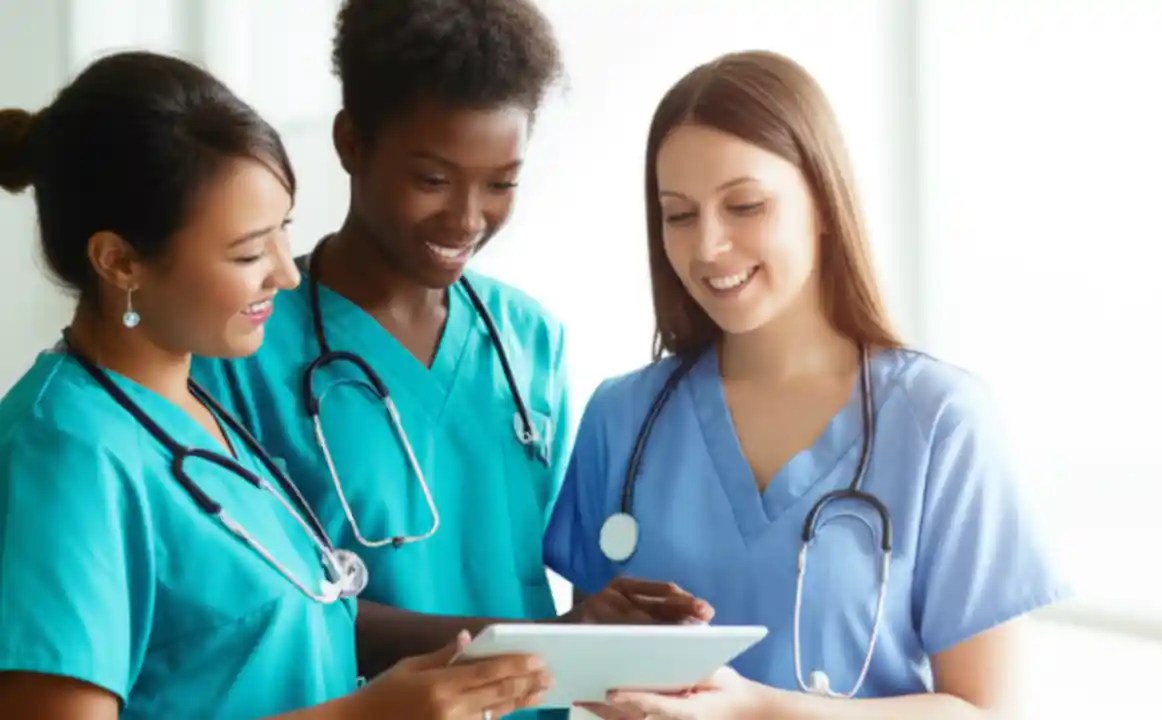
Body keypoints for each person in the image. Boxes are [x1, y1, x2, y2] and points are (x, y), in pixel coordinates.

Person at [189, 0, 712, 706]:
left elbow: (536, 580)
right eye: (432, 180)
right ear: (352, 143)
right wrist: (536, 636)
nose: (468, 219)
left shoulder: (530, 340)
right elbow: (270, 607)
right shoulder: (240, 349)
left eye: (501, 184)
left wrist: (594, 628)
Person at [0, 51, 551, 719]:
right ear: (119, 261)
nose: (287, 275)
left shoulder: (194, 416)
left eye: (283, 232)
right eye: (247, 252)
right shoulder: (66, 454)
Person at [545, 50, 1072, 719]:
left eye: (744, 205)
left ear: (824, 201)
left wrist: (756, 710)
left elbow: (984, 711)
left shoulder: (942, 422)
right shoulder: (622, 417)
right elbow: (593, 679)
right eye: (679, 214)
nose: (707, 246)